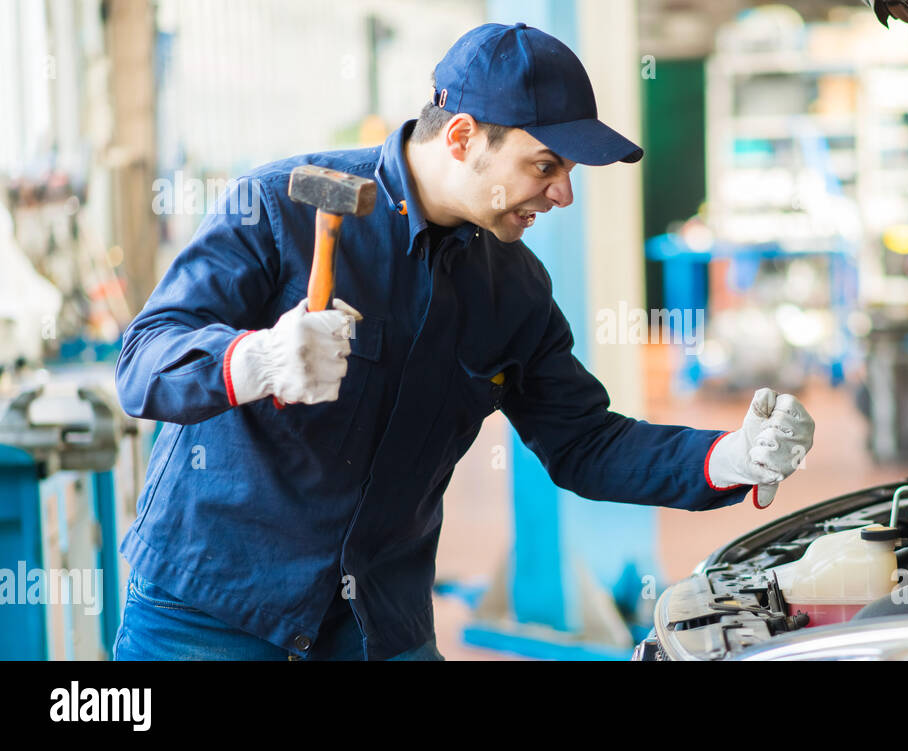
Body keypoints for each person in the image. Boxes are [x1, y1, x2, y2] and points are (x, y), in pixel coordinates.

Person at [112, 22, 814, 661]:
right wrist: (253, 359)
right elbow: (144, 361)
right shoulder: (275, 208)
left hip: (376, 626)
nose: (563, 194)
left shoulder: (514, 290)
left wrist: (728, 458)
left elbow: (584, 442)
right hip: (209, 616)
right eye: (546, 165)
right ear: (461, 138)